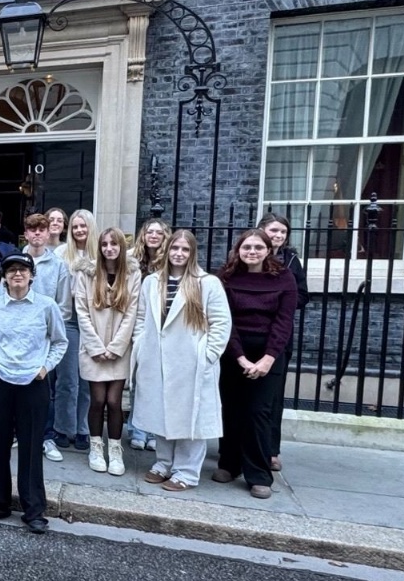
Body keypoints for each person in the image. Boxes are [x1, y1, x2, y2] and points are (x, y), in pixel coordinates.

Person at [131, 230, 232, 492]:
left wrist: (207, 355)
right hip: (157, 358)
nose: (179, 253)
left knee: (190, 418)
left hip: (191, 362)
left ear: (192, 253)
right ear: (167, 250)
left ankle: (186, 472)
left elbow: (221, 323)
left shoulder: (207, 283)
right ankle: (164, 463)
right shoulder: (152, 282)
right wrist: (141, 346)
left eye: (185, 250)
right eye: (175, 248)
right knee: (160, 413)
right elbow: (141, 318)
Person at [0, 252, 68, 532]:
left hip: (34, 382)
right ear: (3, 276)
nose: (17, 274)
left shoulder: (47, 306)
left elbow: (59, 342)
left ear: (32, 275)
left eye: (23, 270)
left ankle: (33, 510)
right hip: (0, 381)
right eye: (11, 270)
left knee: (31, 448)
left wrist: (45, 368)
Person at [213, 229, 299, 499]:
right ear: (238, 250)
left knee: (258, 412)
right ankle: (229, 463)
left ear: (268, 249)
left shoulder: (284, 278)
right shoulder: (225, 278)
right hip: (233, 349)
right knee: (231, 408)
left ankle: (259, 474)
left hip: (270, 351)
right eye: (246, 247)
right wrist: (239, 357)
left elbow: (284, 322)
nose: (252, 252)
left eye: (257, 247)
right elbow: (224, 321)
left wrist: (267, 358)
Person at [75, 227, 141, 476]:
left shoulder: (133, 273)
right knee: (98, 400)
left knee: (114, 402)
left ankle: (115, 449)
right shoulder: (88, 273)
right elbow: (81, 309)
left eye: (114, 244)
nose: (109, 249)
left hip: (119, 349)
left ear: (121, 247)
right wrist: (95, 346)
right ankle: (95, 446)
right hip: (93, 347)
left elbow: (133, 311)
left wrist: (116, 347)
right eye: (105, 244)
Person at [257, 211, 309, 470]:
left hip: (278, 337)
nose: (277, 236)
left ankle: (270, 450)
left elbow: (302, 296)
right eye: (273, 230)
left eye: (282, 232)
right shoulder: (248, 254)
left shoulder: (291, 262)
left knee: (273, 397)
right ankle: (233, 445)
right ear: (262, 230)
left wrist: (275, 300)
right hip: (245, 337)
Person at [20, 212, 71, 462]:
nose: (38, 234)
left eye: (42, 229)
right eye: (33, 229)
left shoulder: (59, 265)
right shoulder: (16, 261)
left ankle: (46, 437)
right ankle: (21, 433)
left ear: (49, 232)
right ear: (26, 233)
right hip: (18, 337)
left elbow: (64, 305)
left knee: (45, 389)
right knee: (18, 387)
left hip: (45, 338)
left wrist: (46, 329)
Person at [51, 208, 98, 453]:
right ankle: (62, 427)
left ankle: (83, 429)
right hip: (68, 320)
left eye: (83, 226)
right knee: (67, 379)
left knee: (87, 380)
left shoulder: (100, 254)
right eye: (75, 227)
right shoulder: (61, 253)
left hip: (92, 322)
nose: (79, 230)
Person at [126, 217, 172, 451]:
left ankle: (154, 430)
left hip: (162, 325)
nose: (153, 236)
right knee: (138, 379)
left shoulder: (170, 261)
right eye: (149, 232)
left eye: (159, 233)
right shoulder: (131, 258)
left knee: (159, 381)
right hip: (134, 322)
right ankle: (137, 428)